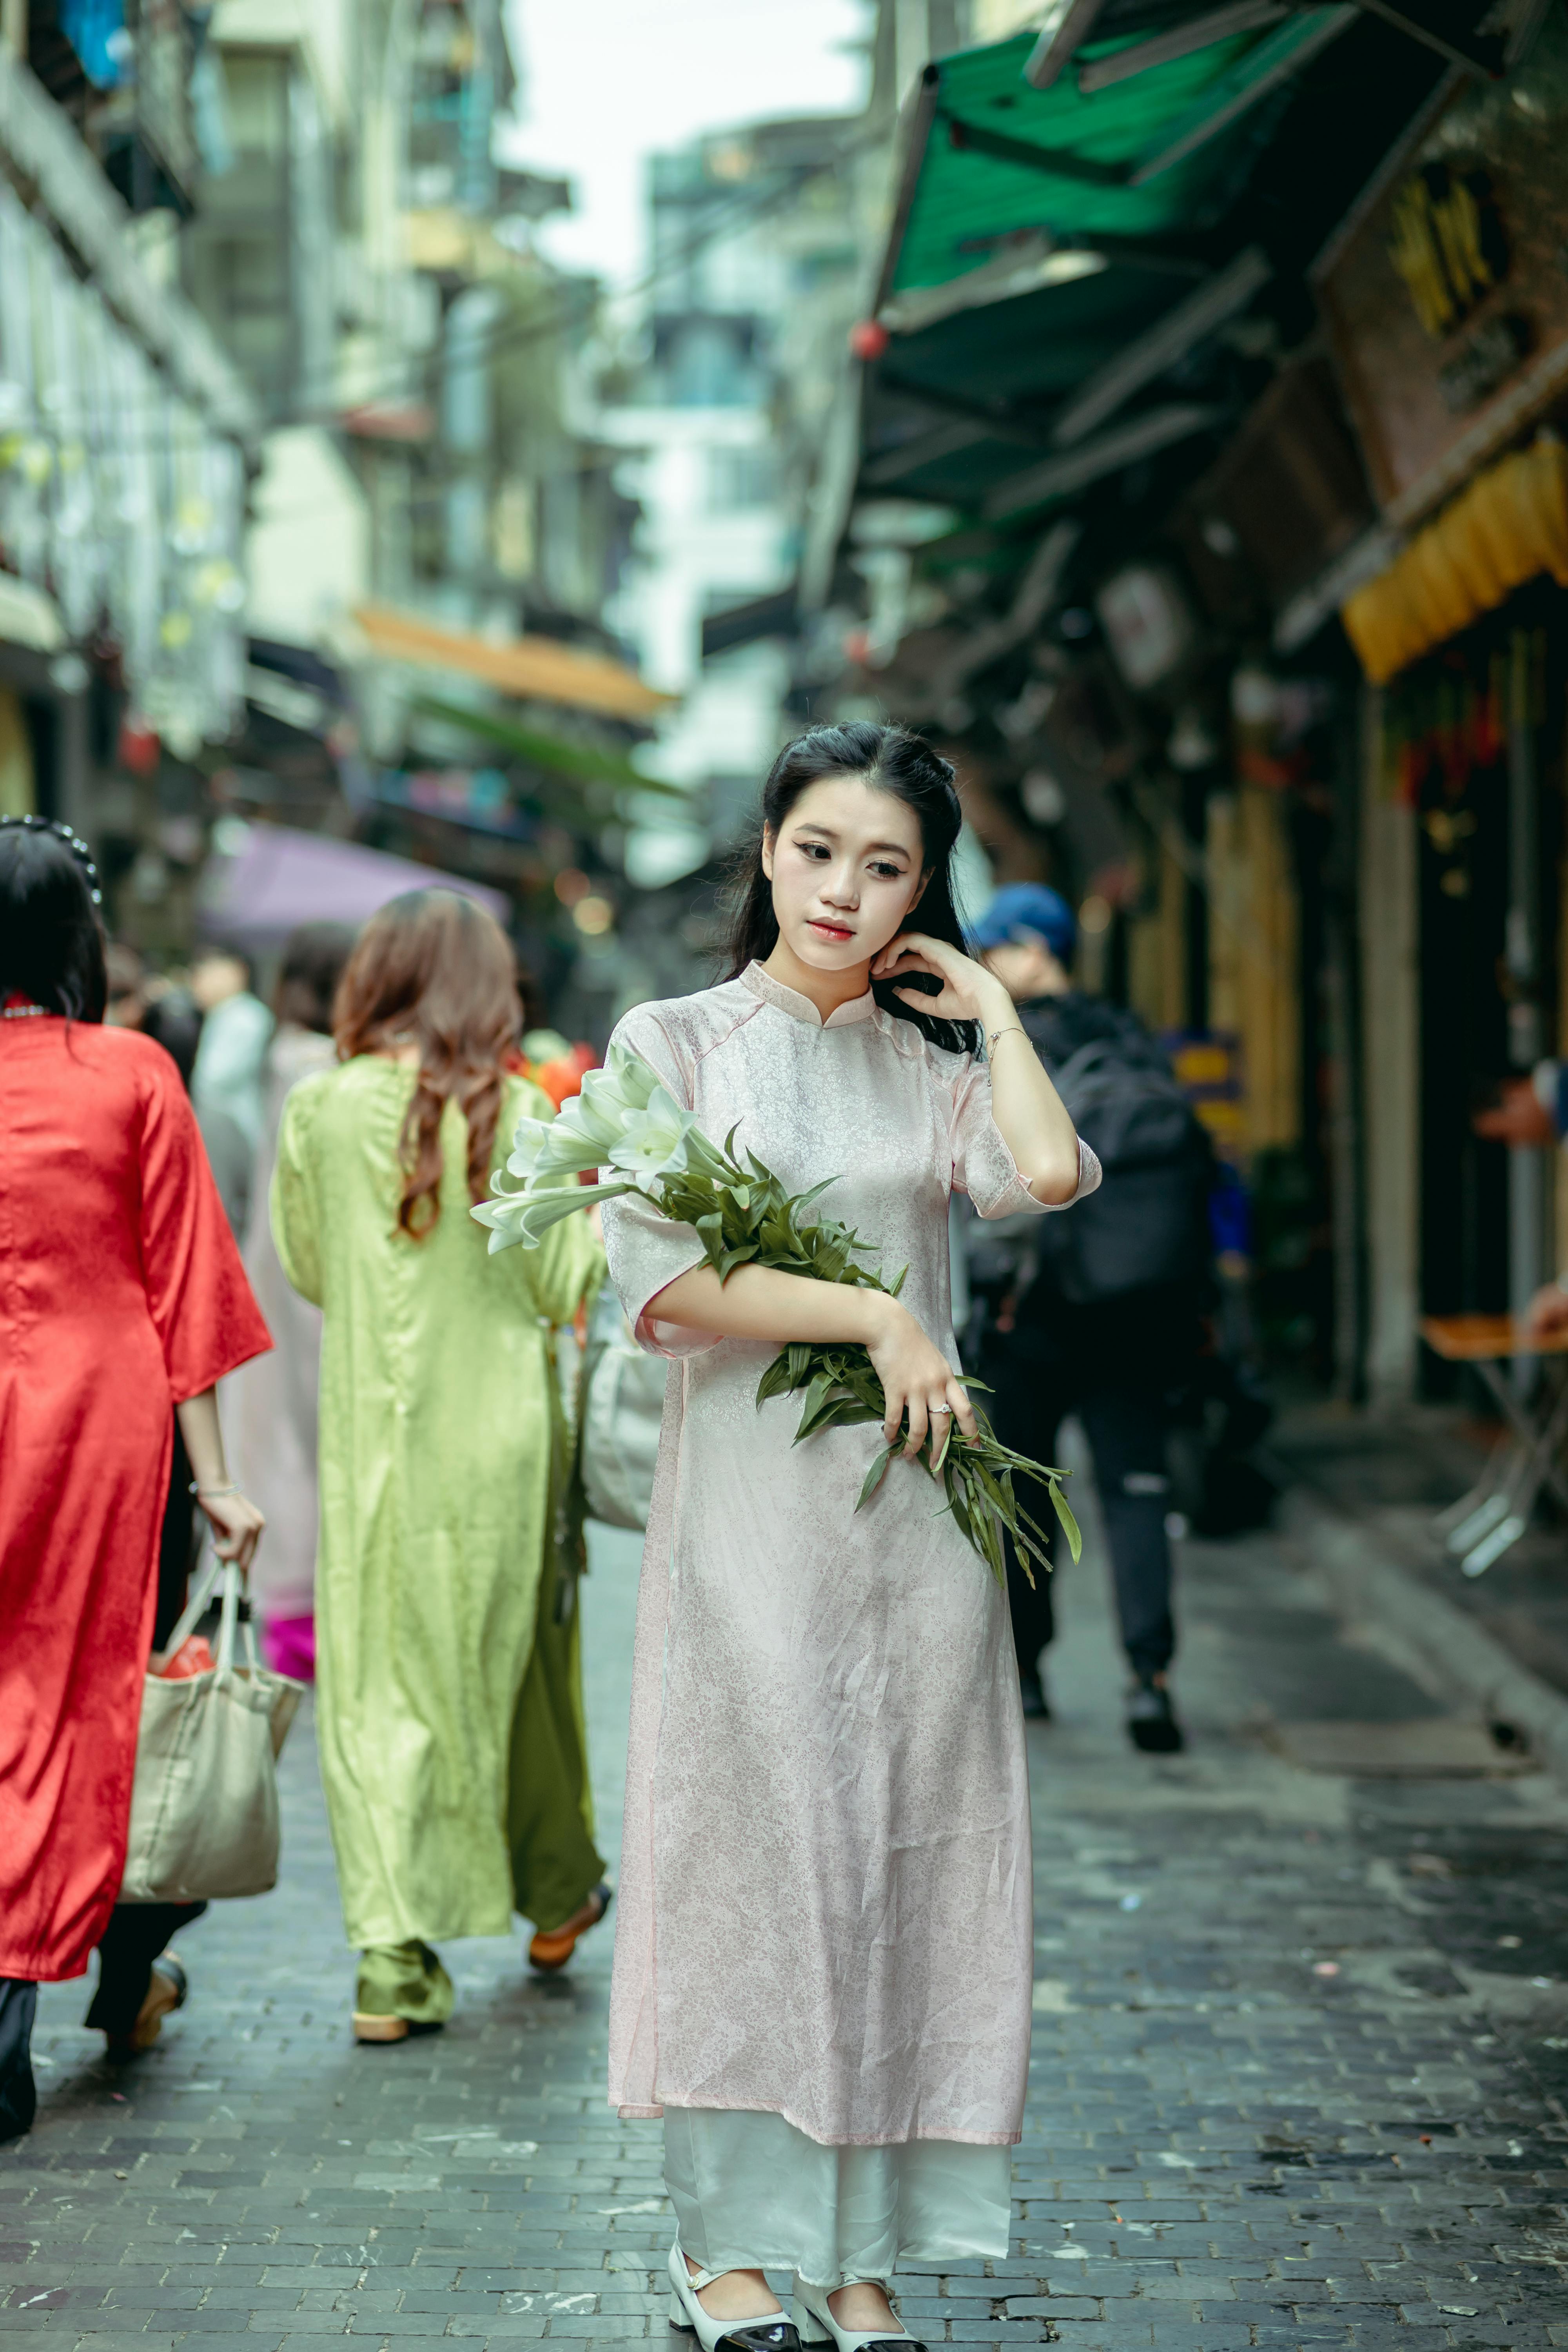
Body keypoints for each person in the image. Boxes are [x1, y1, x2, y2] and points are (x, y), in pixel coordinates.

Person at [596, 724, 1098, 2352]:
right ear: (764, 849)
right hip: (749, 1530)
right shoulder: (669, 1043)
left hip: (916, 1541)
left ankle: (861, 2262)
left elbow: (1046, 1169)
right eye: (817, 851)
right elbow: (659, 1285)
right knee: (753, 1856)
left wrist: (999, 1013)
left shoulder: (927, 1065)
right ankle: (725, 2254)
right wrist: (877, 1313)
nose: (844, 890)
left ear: (923, 894)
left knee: (900, 1870)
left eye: (886, 866)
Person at [270, 889, 608, 2042]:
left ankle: (392, 1957)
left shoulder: (319, 1109)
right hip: (505, 1439)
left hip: (376, 1436)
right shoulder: (521, 1110)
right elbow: (565, 1286)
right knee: (509, 1664)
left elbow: (310, 1267)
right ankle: (555, 1888)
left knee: (377, 1689)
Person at [0, 817, 269, 2144]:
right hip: (100, 1423)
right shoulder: (132, 1073)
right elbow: (186, 1295)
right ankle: (74, 1982)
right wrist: (218, 1483)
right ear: (77, 939)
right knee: (88, 1699)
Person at [965, 883, 1209, 1753]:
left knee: (1026, 1493)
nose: (987, 964)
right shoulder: (1128, 1037)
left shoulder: (1003, 1046)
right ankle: (1150, 1680)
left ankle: (1027, 1673)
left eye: (997, 947)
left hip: (1030, 1314)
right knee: (1135, 1493)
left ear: (1033, 949)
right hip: (1132, 1309)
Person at [229, 922, 358, 1679]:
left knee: (279, 1431)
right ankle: (306, 1613)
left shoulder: (284, 1053)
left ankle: (293, 1607)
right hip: (306, 1266)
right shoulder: (318, 1066)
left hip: (274, 1259)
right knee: (311, 1431)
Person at [191, 945, 274, 1152]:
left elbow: (213, 1080)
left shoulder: (243, 1017)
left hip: (237, 1129)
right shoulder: (227, 1014)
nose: (197, 984)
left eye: (204, 974)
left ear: (234, 974)